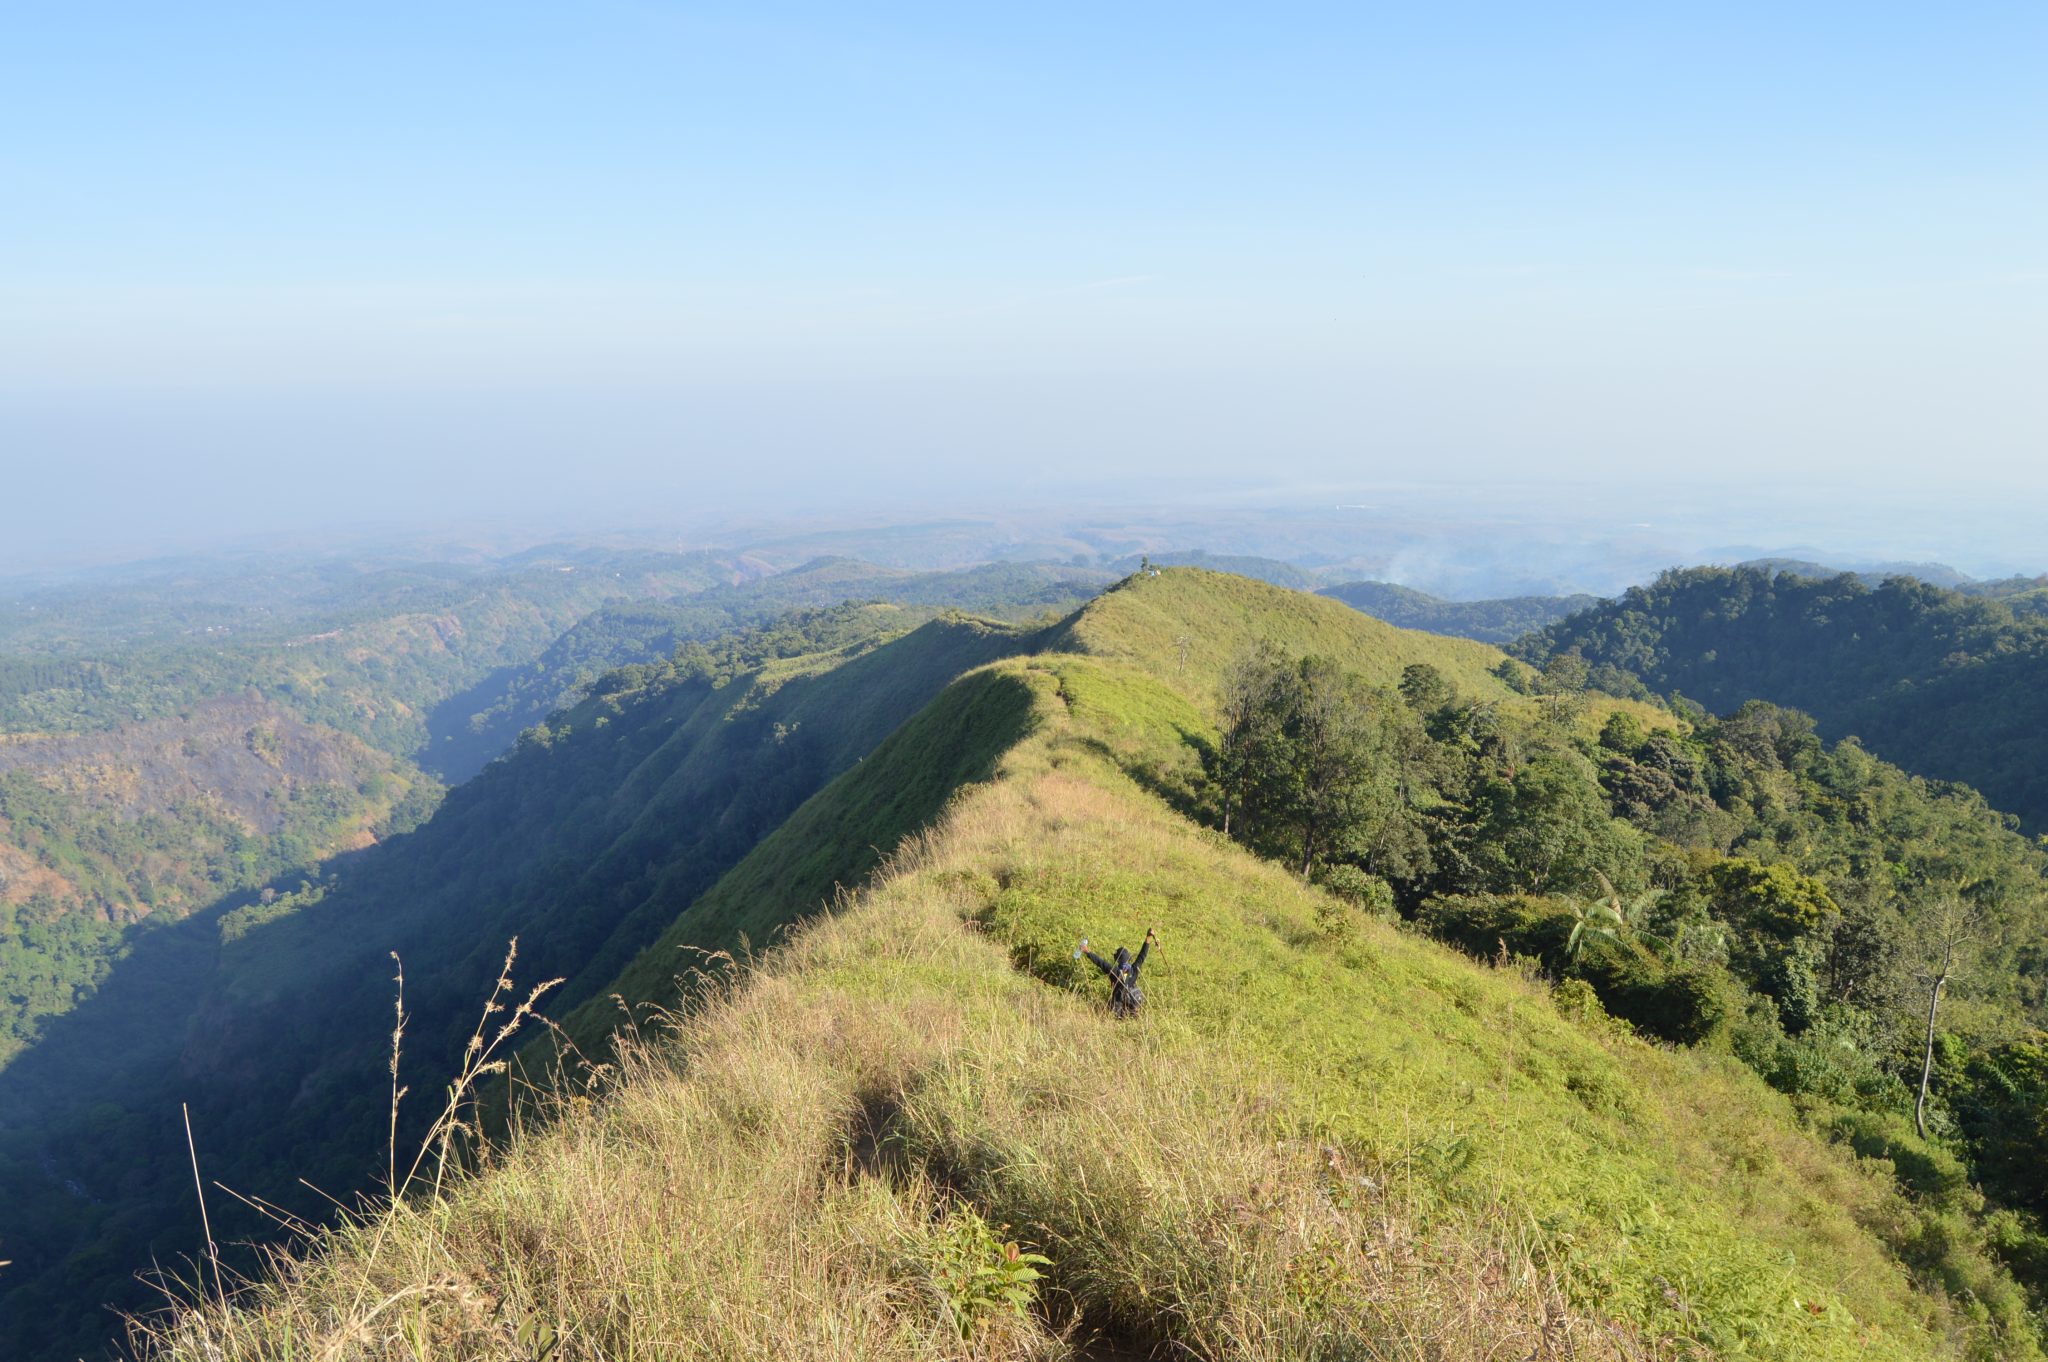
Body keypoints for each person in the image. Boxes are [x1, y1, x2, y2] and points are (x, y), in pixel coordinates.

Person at [1076, 927, 1157, 1016]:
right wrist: (1148, 937)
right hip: (1133, 1005)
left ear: (1117, 960)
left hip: (1118, 1009)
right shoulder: (1134, 969)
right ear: (1128, 959)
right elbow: (1142, 955)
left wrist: (1087, 952)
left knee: (1113, 1013)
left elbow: (1100, 962)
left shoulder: (1115, 972)